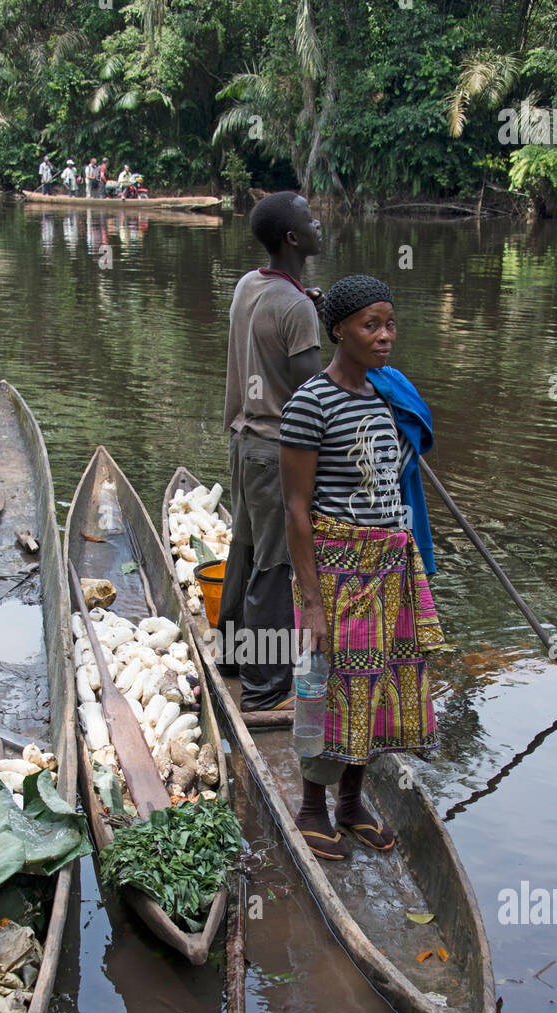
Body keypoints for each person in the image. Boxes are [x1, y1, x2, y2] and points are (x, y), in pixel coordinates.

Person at [279, 275, 445, 859]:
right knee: (327, 687)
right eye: (370, 325)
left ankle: (351, 803)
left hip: (389, 568)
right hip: (335, 569)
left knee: (377, 688)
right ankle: (311, 808)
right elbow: (296, 510)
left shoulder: (387, 397)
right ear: (339, 331)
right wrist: (313, 603)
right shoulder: (310, 403)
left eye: (390, 324)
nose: (384, 337)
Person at [218, 190, 323, 711]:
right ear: (292, 237)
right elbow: (315, 392)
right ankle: (265, 689)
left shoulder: (251, 285)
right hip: (273, 451)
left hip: (242, 442)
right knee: (276, 567)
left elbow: (273, 326)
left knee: (244, 549)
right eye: (309, 218)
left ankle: (232, 659)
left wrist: (311, 307)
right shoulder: (296, 307)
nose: (318, 221)